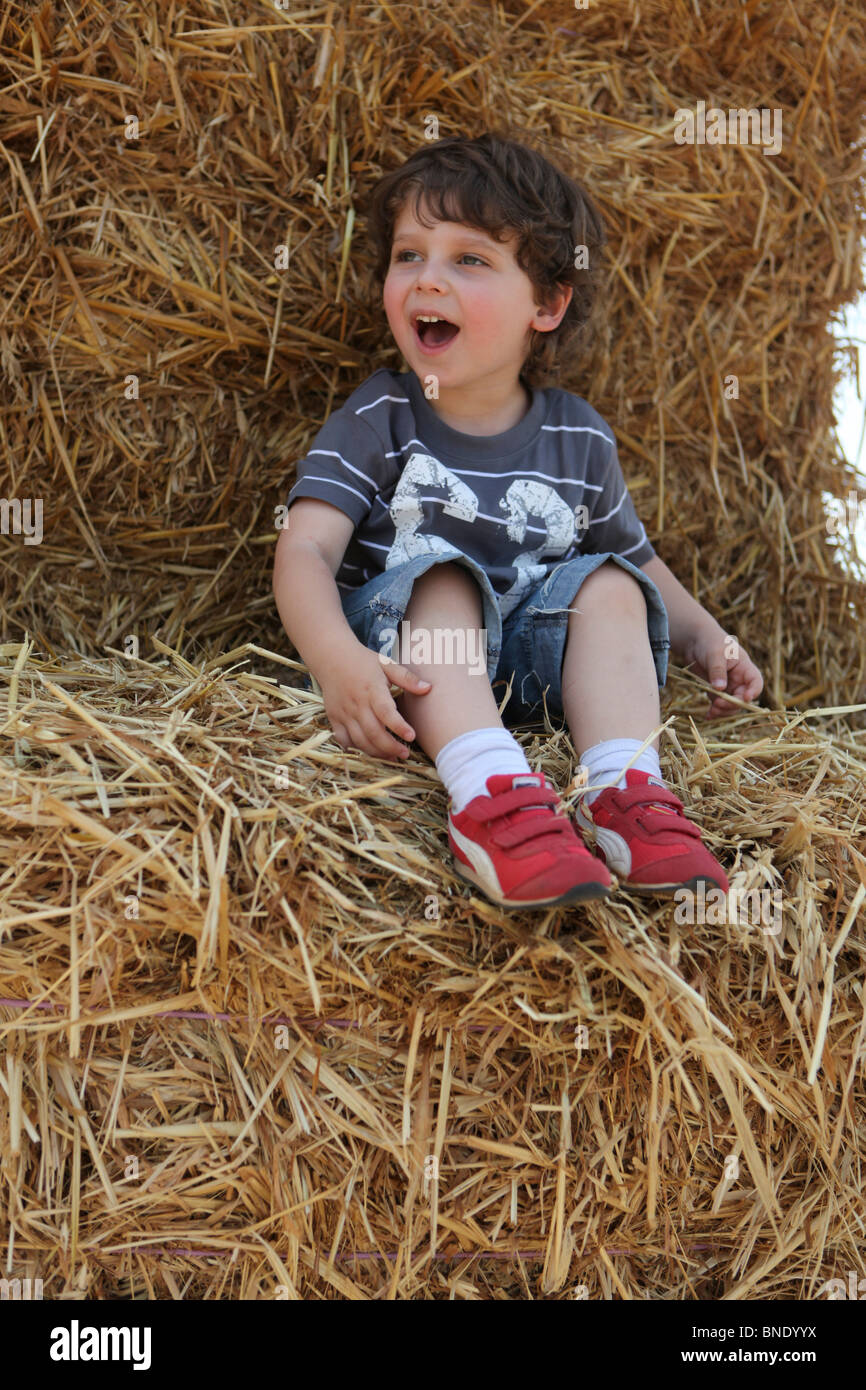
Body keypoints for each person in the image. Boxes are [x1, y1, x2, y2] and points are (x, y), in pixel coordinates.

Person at [273, 132, 764, 910]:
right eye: (409, 255)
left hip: (534, 673)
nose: (428, 278)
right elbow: (303, 550)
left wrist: (708, 638)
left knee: (610, 584)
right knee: (443, 577)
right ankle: (489, 795)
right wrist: (336, 662)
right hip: (406, 663)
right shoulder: (380, 413)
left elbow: (643, 562)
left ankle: (628, 795)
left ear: (548, 303)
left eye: (469, 259)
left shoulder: (578, 435)